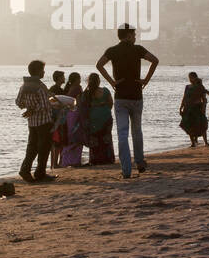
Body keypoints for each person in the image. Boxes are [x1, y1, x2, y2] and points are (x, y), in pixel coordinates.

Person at [97, 24, 158, 178]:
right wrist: (146, 80)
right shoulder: (138, 49)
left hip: (121, 97)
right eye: (134, 34)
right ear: (129, 35)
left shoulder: (112, 51)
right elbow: (155, 60)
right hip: (136, 96)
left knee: (122, 133)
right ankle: (140, 162)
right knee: (137, 131)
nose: (135, 36)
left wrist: (112, 82)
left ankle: (126, 170)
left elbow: (99, 65)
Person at [15, 60, 57, 183]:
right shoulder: (39, 86)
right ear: (38, 72)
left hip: (32, 123)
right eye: (43, 70)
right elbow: (44, 104)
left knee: (32, 147)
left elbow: (18, 102)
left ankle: (25, 170)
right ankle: (40, 173)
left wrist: (28, 108)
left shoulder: (24, 86)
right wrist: (33, 110)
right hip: (44, 121)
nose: (44, 72)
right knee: (44, 149)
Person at [82, 72, 115, 165]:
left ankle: (95, 159)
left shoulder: (86, 93)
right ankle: (108, 159)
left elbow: (84, 108)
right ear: (98, 81)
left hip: (93, 119)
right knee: (106, 138)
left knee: (94, 139)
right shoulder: (105, 91)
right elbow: (110, 103)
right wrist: (104, 109)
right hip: (106, 117)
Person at [179, 72, 209, 147]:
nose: (190, 79)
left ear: (195, 77)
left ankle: (205, 142)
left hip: (197, 108)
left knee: (201, 125)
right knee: (189, 125)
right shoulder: (187, 87)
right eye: (189, 78)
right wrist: (181, 107)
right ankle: (193, 143)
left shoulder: (200, 87)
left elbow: (204, 99)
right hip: (188, 109)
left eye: (191, 77)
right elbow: (184, 97)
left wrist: (203, 108)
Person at [61, 73, 85, 166]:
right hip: (76, 114)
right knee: (77, 136)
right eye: (79, 78)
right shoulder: (78, 88)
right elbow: (80, 102)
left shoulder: (68, 88)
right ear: (76, 80)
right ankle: (75, 161)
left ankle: (66, 160)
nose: (80, 80)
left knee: (70, 137)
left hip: (68, 115)